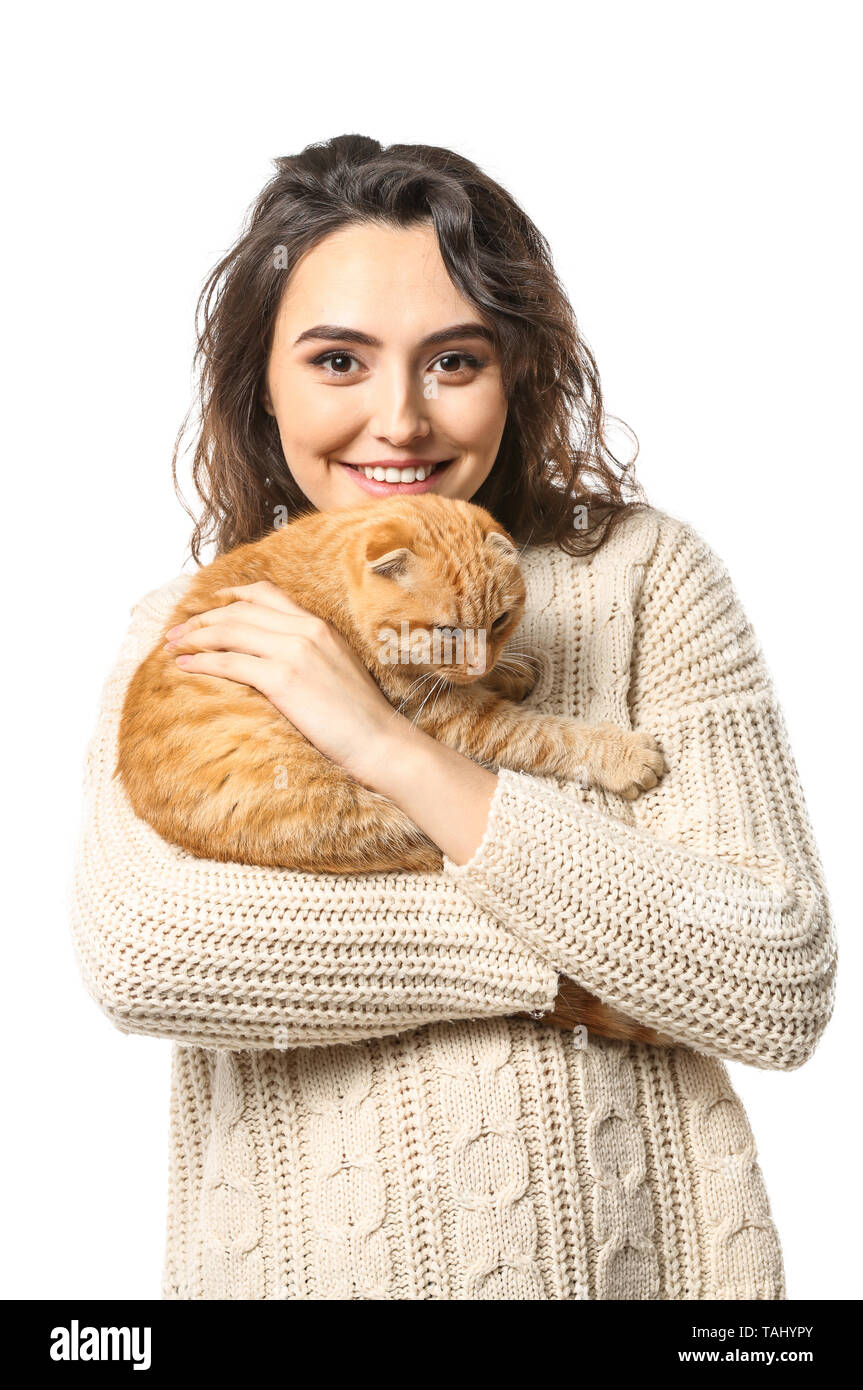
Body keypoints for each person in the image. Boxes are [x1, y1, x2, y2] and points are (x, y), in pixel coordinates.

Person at [70, 134, 837, 1300]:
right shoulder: (199, 624)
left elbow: (769, 977)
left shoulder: (643, 577)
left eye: (453, 360)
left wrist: (387, 747)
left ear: (516, 372)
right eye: (337, 360)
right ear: (257, 382)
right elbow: (153, 953)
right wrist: (589, 973)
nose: (400, 420)